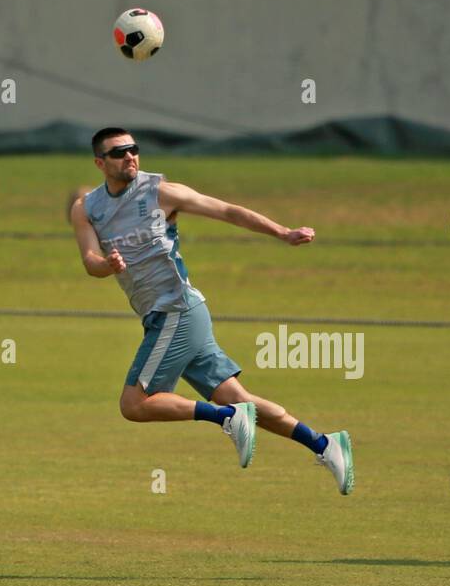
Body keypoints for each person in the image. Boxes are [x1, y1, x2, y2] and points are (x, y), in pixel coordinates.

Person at [70, 127, 354, 494]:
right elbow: (90, 260)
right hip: (169, 316)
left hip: (176, 311)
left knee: (135, 404)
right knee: (241, 399)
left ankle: (225, 418)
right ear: (99, 162)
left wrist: (282, 233)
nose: (130, 156)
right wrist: (107, 265)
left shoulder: (160, 192)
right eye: (119, 151)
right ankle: (325, 444)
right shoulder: (88, 208)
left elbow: (227, 211)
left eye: (134, 148)